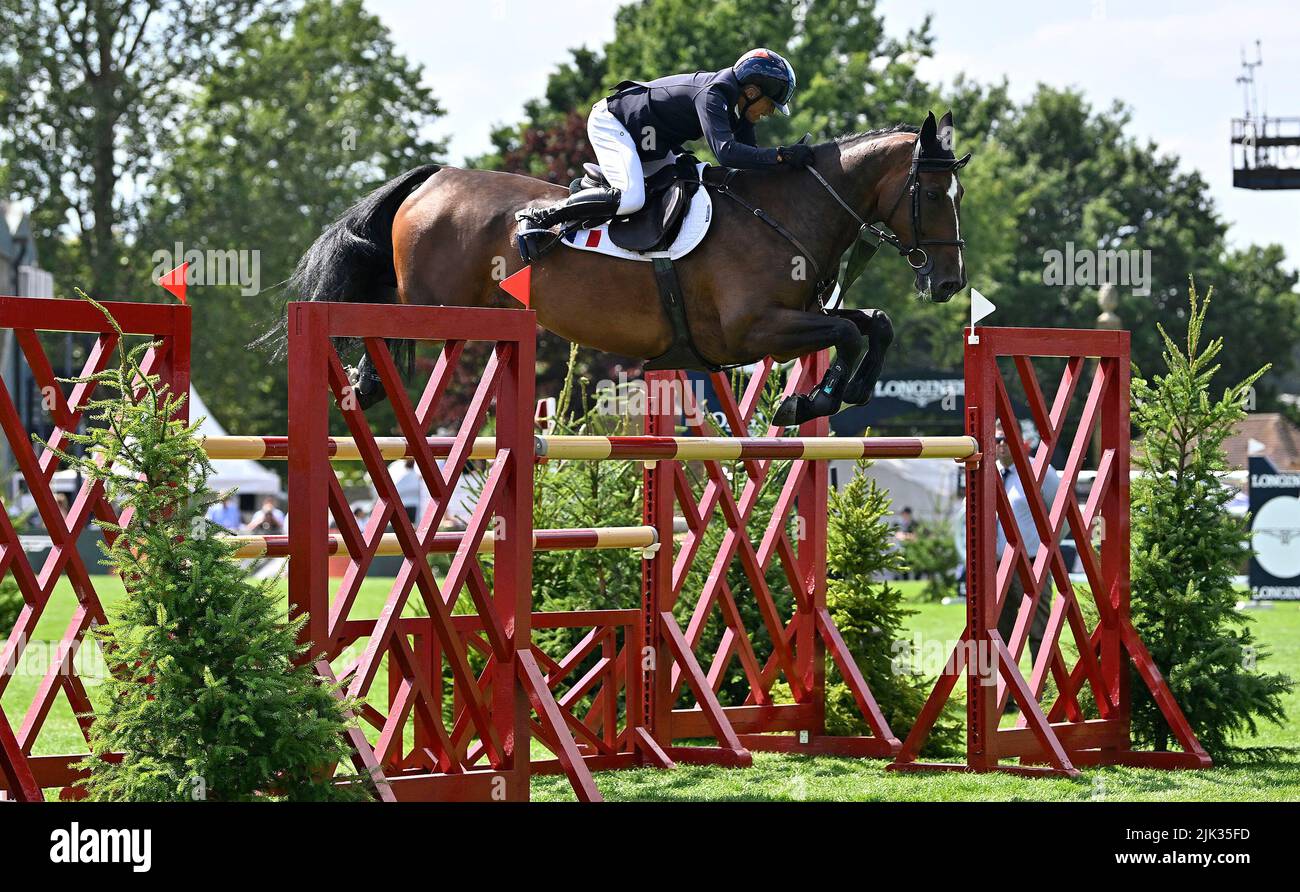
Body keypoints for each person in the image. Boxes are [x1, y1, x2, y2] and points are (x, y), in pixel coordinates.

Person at [522, 48, 812, 232]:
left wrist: (780, 165)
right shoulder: (713, 94)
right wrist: (782, 155)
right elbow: (727, 154)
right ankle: (543, 217)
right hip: (613, 122)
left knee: (694, 177)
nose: (770, 113)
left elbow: (748, 158)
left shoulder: (735, 102)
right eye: (771, 105)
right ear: (751, 92)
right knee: (631, 197)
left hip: (652, 141)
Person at [994, 422, 1060, 664]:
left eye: (1005, 439)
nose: (1000, 445)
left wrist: (1046, 549)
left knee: (1038, 632)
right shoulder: (988, 471)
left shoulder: (1040, 471)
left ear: (1021, 441)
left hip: (1033, 564)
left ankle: (1042, 697)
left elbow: (1061, 514)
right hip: (998, 566)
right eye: (996, 440)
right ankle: (1004, 701)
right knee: (1000, 635)